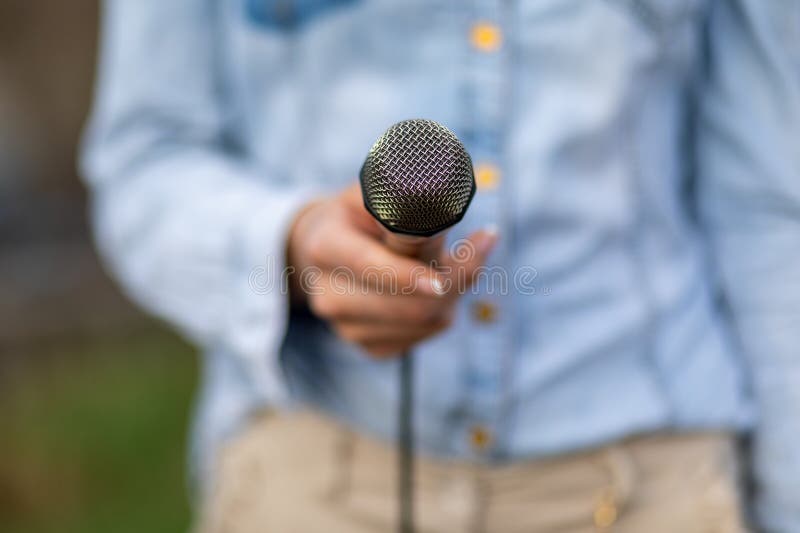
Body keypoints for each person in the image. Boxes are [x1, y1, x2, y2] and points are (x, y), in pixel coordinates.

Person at [81, 1, 800, 531]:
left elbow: (767, 200)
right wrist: (294, 248)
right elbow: (144, 161)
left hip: (649, 484)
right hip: (317, 474)